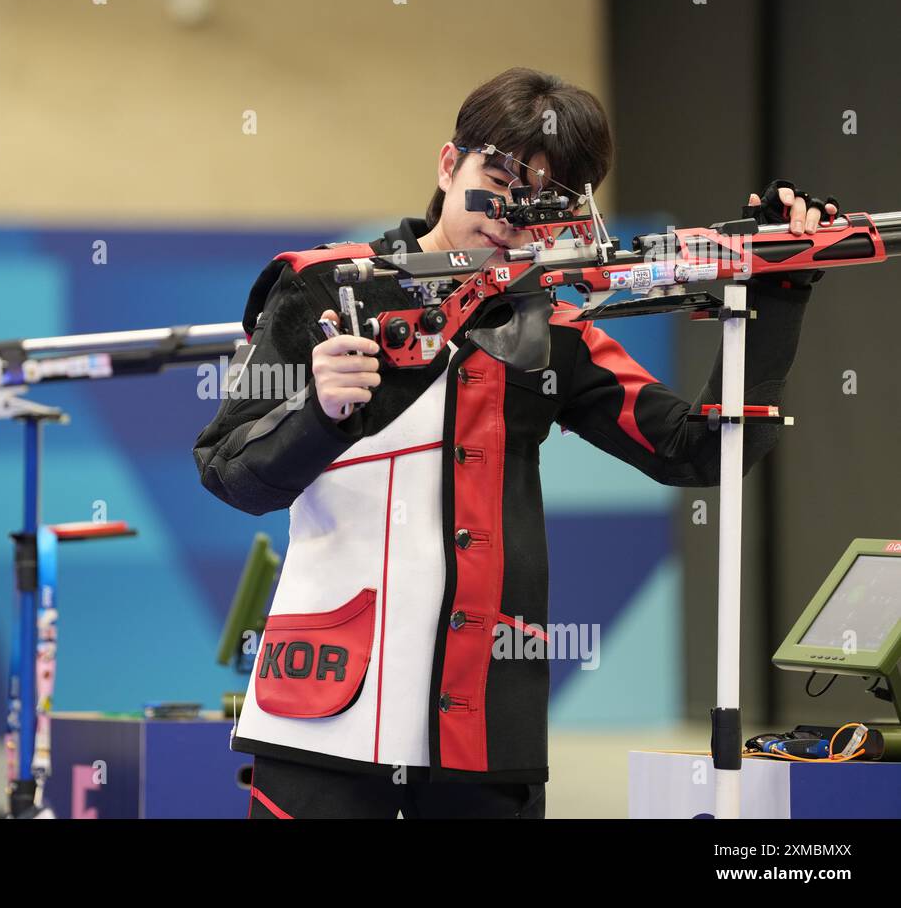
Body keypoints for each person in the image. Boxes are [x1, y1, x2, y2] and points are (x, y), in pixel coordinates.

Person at [193, 66, 837, 819]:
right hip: (323, 714)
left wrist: (778, 289)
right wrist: (320, 412)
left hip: (484, 735)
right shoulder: (321, 285)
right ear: (446, 165)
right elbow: (229, 472)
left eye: (546, 202)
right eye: (496, 179)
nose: (510, 214)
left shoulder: (555, 331)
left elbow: (700, 450)